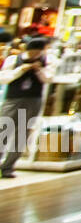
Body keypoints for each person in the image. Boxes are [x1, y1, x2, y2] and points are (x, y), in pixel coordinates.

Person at [0, 39, 49, 177]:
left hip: (33, 100)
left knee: (22, 134)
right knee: (3, 129)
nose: (37, 54)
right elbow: (3, 78)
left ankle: (7, 167)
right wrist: (21, 70)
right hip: (13, 99)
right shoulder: (14, 59)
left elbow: (48, 79)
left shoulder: (46, 61)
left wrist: (38, 70)